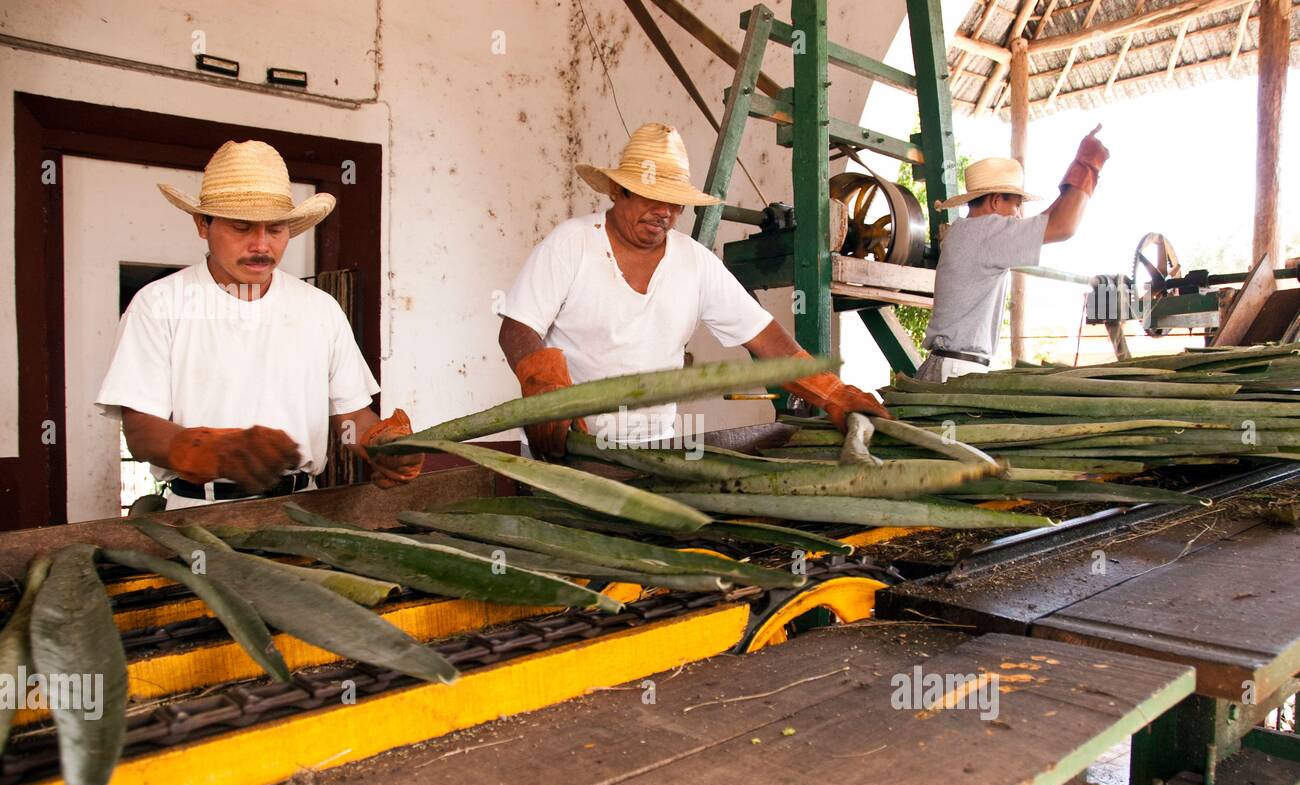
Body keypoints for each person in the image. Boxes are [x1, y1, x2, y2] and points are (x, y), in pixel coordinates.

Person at [496, 122, 889, 457]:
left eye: (675, 202)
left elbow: (767, 340)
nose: (664, 212)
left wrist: (831, 391)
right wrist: (545, 388)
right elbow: (517, 328)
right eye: (652, 196)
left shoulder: (695, 262)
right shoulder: (572, 244)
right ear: (618, 192)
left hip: (652, 449)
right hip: (567, 445)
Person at [96, 140, 421, 509]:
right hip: (197, 512)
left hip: (303, 509)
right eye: (242, 227)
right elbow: (141, 434)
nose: (261, 245)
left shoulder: (320, 309)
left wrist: (382, 445)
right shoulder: (159, 305)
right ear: (203, 224)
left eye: (276, 229)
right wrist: (221, 452)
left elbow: (352, 417)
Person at [917, 125, 1110, 382]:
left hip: (950, 365)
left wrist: (1075, 174)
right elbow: (1063, 226)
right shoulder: (986, 232)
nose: (1019, 215)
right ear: (996, 202)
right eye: (1016, 206)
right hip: (957, 371)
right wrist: (1088, 166)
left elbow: (1044, 221)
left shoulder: (966, 232)